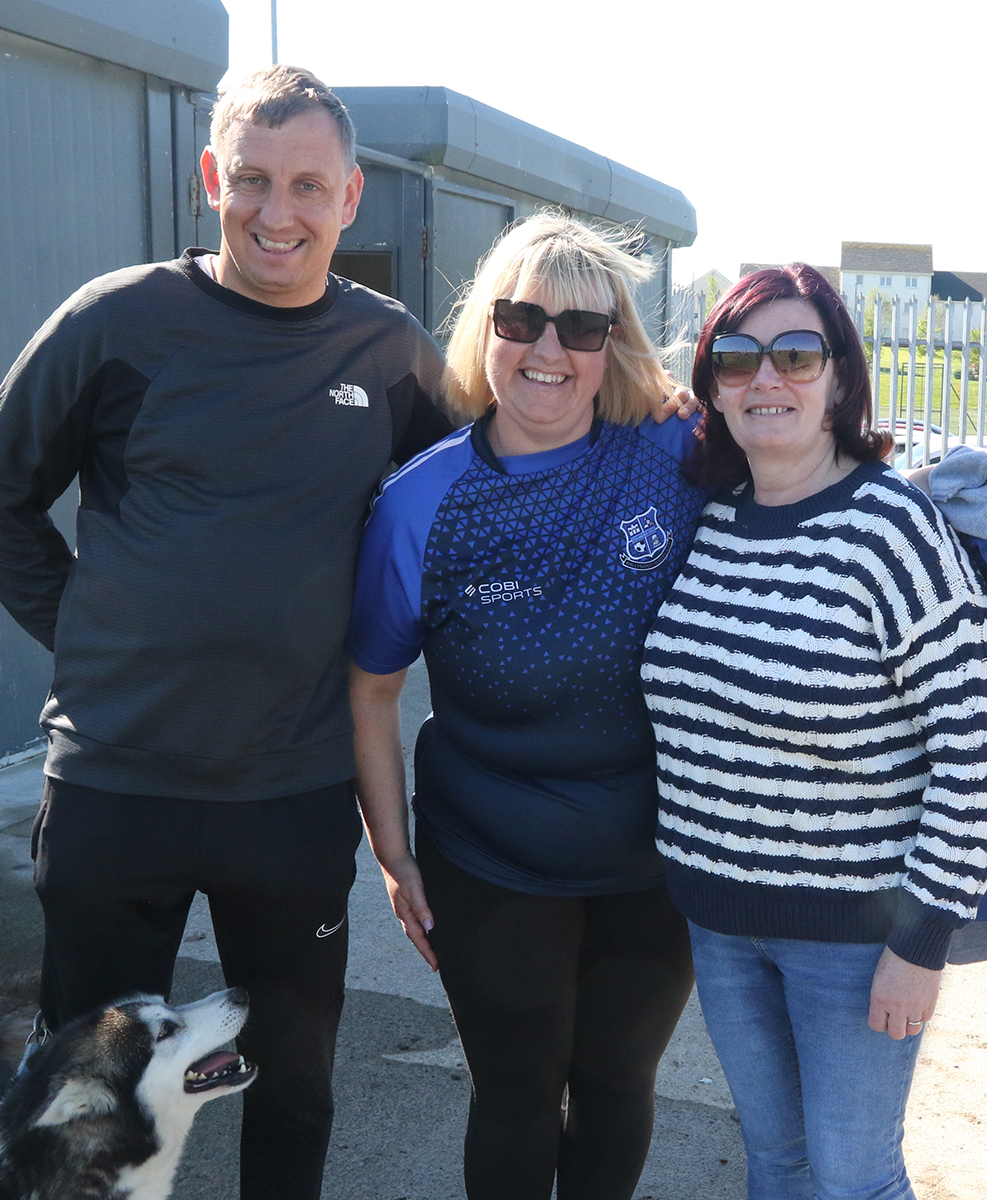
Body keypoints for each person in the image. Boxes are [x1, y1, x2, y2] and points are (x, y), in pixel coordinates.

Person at [0, 66, 453, 1199]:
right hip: (118, 788)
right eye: (254, 180)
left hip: (292, 794)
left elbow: (482, 488)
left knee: (294, 1085)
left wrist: (643, 421)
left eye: (309, 186)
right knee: (88, 1097)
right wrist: (87, 635)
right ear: (211, 177)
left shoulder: (387, 351)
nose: (279, 212)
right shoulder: (118, 319)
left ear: (350, 196)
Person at [639, 264, 987, 1200]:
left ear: (840, 378)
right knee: (776, 1163)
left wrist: (920, 945)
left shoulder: (894, 530)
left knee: (853, 1177)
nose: (766, 378)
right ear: (712, 385)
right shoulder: (709, 517)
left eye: (797, 355)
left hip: (855, 941)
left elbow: (977, 752)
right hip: (721, 925)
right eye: (737, 358)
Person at [346, 213, 706, 1200]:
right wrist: (392, 855)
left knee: (618, 1084)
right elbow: (372, 688)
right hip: (491, 861)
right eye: (523, 320)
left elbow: (801, 463)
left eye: (583, 328)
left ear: (612, 346)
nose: (550, 349)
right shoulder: (420, 502)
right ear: (486, 330)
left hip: (656, 860)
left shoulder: (675, 451)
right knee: (517, 1095)